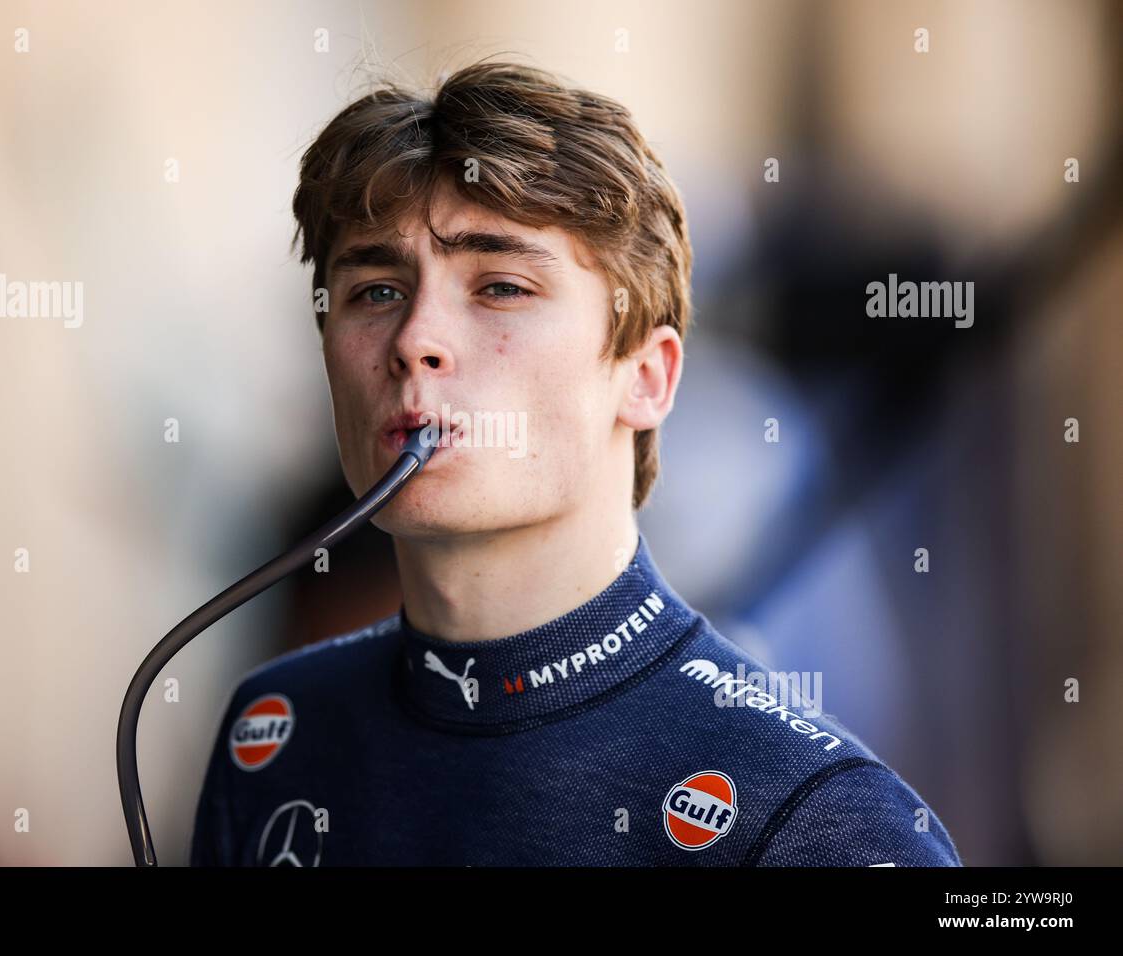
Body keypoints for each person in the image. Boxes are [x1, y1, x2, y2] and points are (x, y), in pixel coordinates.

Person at [190, 59, 962, 866]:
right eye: (377, 290)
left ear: (648, 378)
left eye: (501, 287)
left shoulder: (820, 819)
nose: (416, 339)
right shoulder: (272, 736)